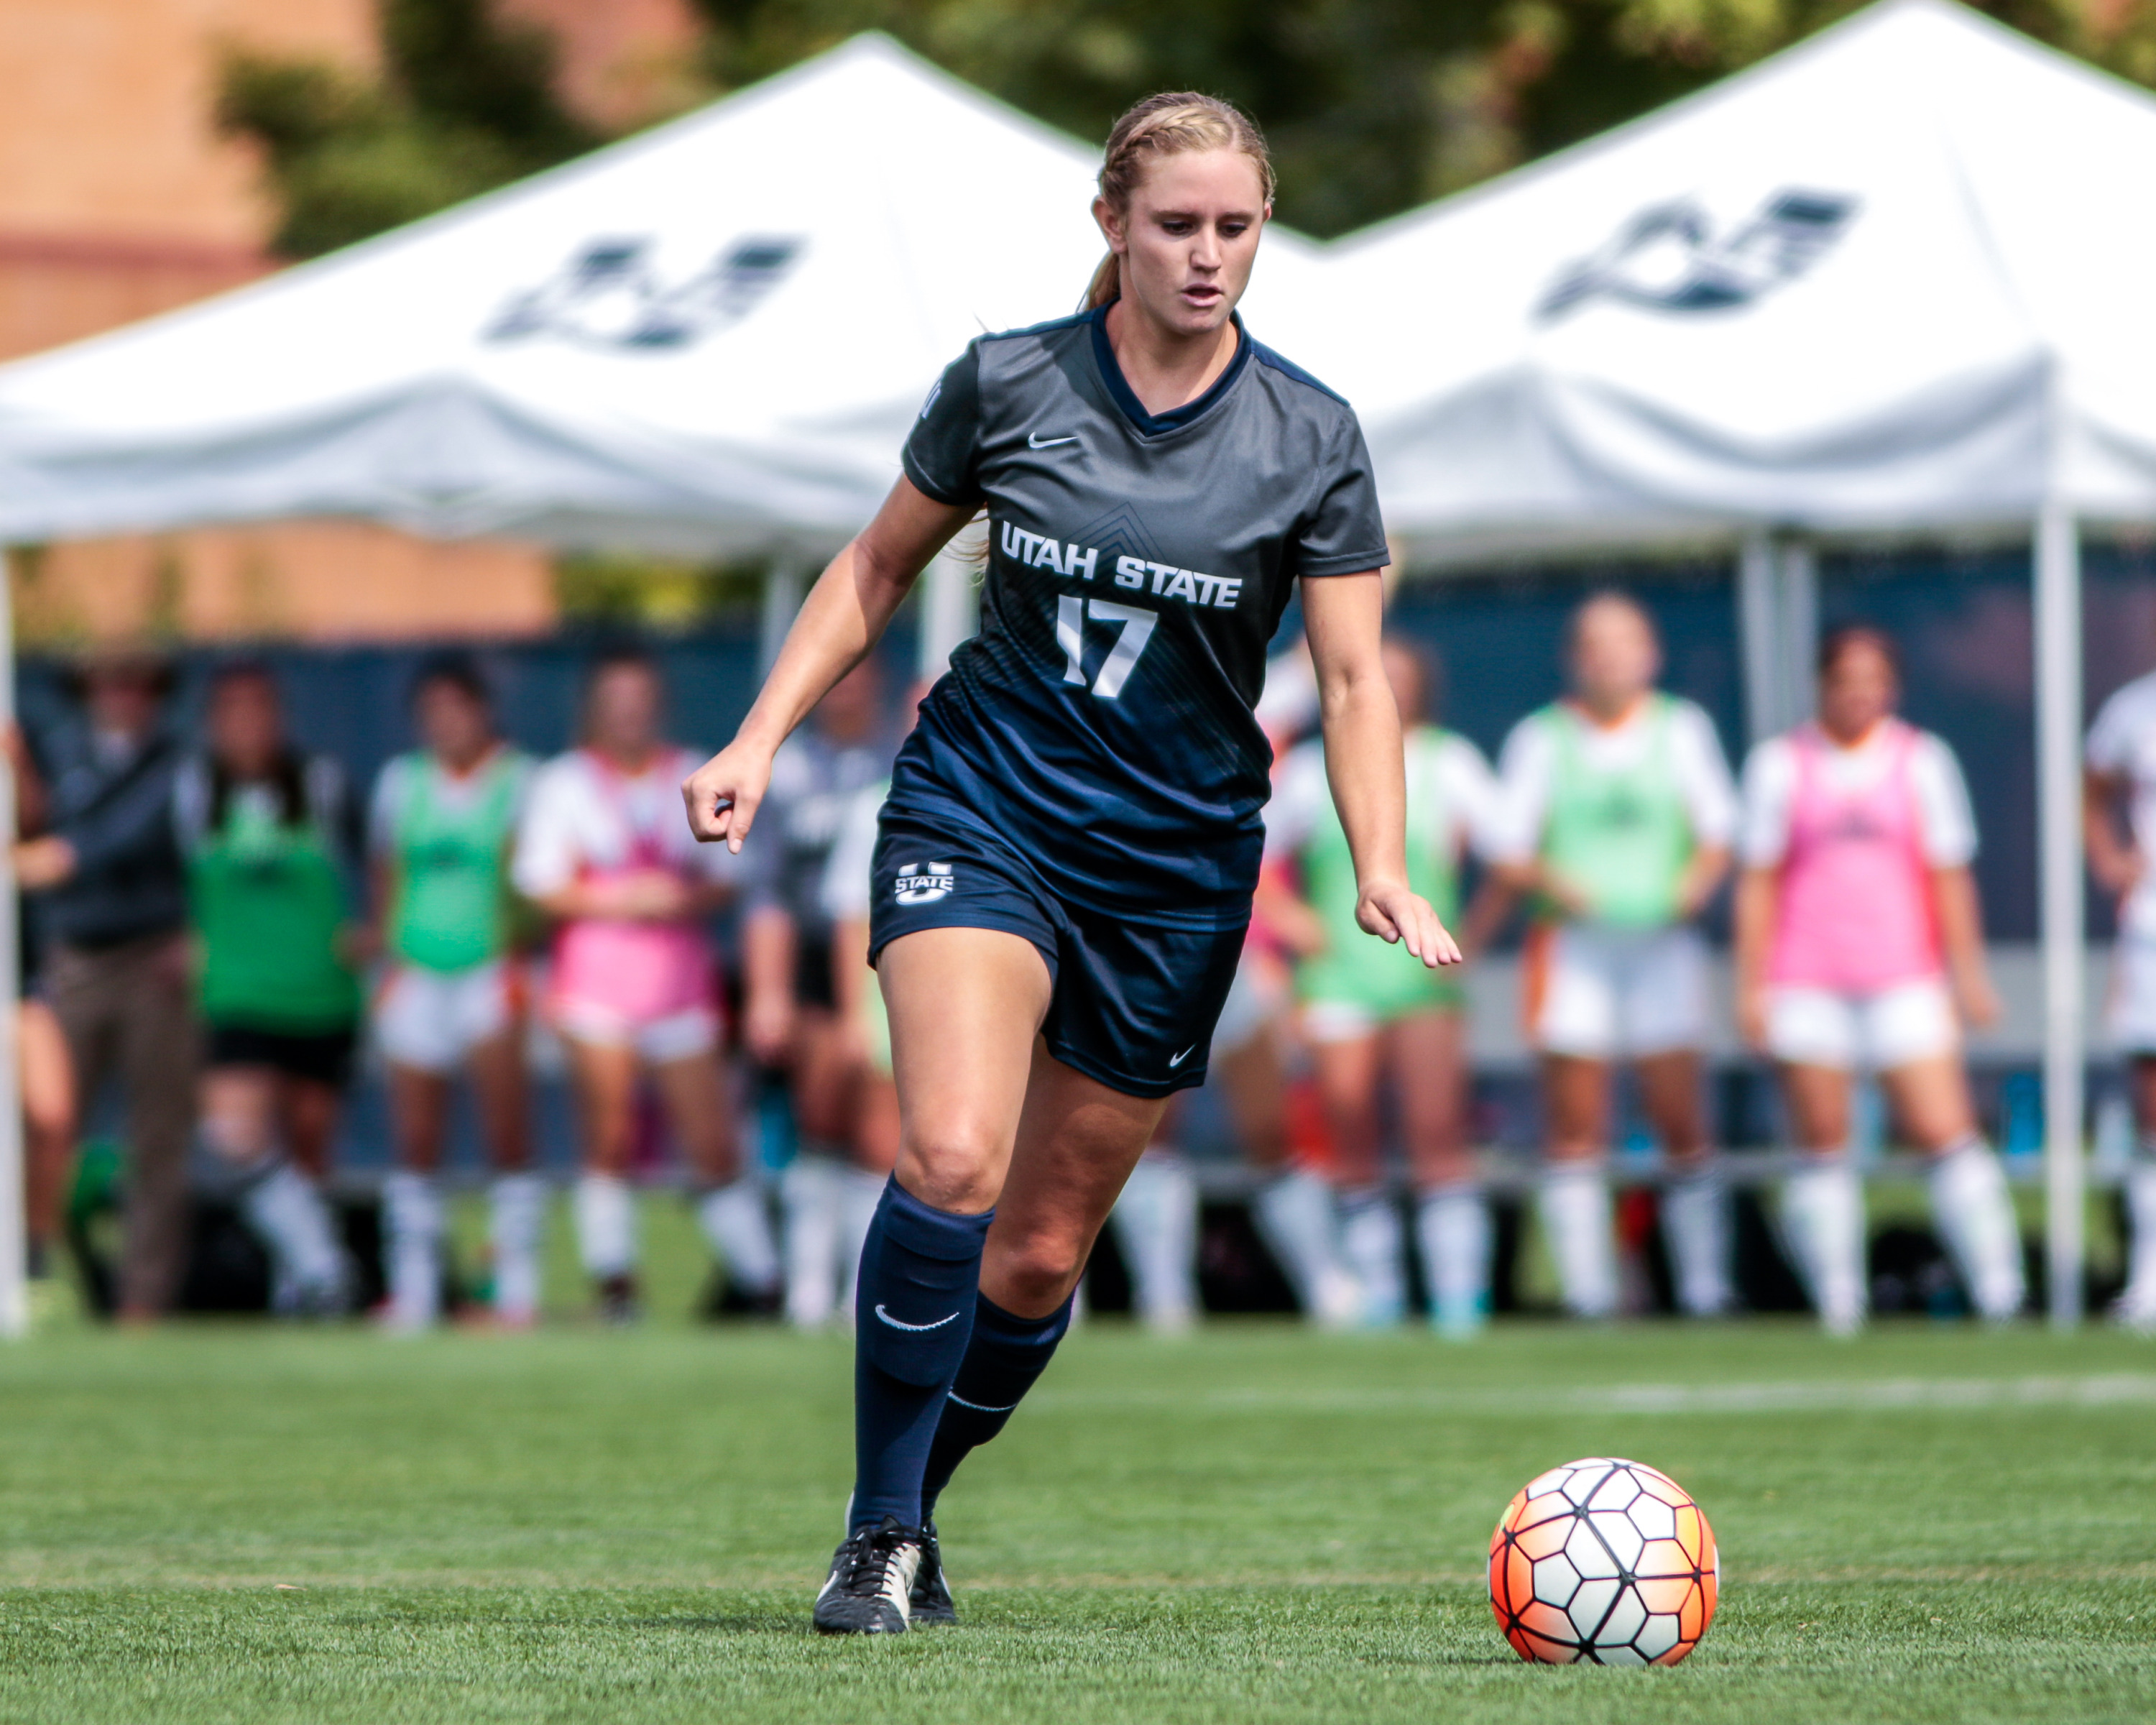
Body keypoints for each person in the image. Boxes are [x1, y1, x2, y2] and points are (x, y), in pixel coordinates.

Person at [684, 92, 1455, 1634]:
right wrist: (759, 736)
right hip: (986, 809)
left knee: (1037, 1254)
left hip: (1173, 871)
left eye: (1237, 226)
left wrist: (1382, 858)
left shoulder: (1312, 436)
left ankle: (900, 1510)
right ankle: (880, 1540)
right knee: (954, 1157)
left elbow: (1358, 681)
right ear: (1111, 225)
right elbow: (876, 566)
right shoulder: (1011, 382)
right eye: (1178, 224)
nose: (1209, 254)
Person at [1737, 625, 2019, 1330]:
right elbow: (1758, 884)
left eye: (1874, 680)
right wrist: (1752, 986)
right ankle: (1840, 1302)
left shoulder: (1923, 761)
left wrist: (1968, 977)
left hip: (1903, 977)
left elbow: (1948, 877)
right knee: (1823, 1137)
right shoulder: (1780, 764)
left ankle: (2001, 1291)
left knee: (1943, 1129)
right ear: (1822, 684)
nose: (1860, 695)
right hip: (1808, 978)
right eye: (1846, 680)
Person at [1492, 592, 1738, 1320]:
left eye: (1628, 641)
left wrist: (1690, 887)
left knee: (1680, 1118)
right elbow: (1510, 850)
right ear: (1575, 660)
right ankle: (1589, 1293)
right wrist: (1560, 883)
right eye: (1597, 644)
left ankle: (1704, 1288)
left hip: (1661, 950)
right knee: (1575, 1124)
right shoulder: (1541, 739)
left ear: (1651, 654)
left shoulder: (1683, 730)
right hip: (1575, 951)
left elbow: (1718, 833)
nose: (1613, 658)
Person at [514, 649, 779, 1322]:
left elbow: (730, 872)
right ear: (595, 708)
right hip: (596, 981)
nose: (628, 711)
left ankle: (763, 1282)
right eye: (615, 697)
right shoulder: (564, 782)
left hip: (678, 981)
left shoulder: (693, 768)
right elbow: (542, 883)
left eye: (640, 697)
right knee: (609, 1135)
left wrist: (680, 898)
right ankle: (616, 1285)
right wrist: (624, 900)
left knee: (713, 1140)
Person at [1264, 637, 1508, 1334]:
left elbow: (1513, 855)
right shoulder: (1311, 769)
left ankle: (1460, 1300)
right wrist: (1291, 920)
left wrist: (1477, 934)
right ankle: (1379, 1296)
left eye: (1399, 678)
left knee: (1437, 1131)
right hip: (1340, 977)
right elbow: (1251, 857)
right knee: (1350, 1132)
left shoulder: (1451, 762)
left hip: (1422, 977)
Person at [173, 661, 365, 1315]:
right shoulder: (194, 791)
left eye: (259, 709)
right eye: (232, 711)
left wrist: (369, 931)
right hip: (236, 991)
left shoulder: (320, 785)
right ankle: (325, 1267)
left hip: (319, 992)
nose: (247, 725)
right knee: (236, 1137)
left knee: (310, 1151)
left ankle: (301, 1286)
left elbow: (384, 862)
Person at [15, 647, 195, 1320]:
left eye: (137, 680)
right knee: (50, 1125)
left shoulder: (175, 760)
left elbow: (112, 839)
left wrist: (60, 858)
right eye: (111, 679)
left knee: (158, 1137)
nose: (123, 694)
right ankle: (45, 1266)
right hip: (75, 958)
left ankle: (143, 1299)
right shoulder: (59, 751)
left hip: (152, 958)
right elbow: (36, 822)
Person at [369, 653, 541, 1330]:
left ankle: (517, 1289)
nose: (446, 724)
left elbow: (533, 884)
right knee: (415, 1139)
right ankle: (414, 1292)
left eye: (457, 708)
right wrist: (388, 962)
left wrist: (516, 955)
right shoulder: (400, 783)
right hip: (416, 976)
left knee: (506, 1132)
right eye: (432, 712)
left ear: (482, 710)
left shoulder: (522, 781)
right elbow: (387, 878)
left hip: (491, 975)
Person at [740, 658, 896, 1329]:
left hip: (894, 961)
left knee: (883, 1140)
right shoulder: (787, 768)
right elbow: (768, 893)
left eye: (859, 674)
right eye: (836, 676)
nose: (848, 688)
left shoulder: (903, 759)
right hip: (816, 967)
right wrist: (767, 993)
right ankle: (807, 1289)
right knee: (823, 1122)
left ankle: (862, 1291)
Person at [2081, 643, 2156, 1327]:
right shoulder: (2133, 710)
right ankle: (2150, 1276)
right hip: (2152, 932)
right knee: (2153, 1109)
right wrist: (2111, 861)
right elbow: (2091, 787)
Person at [5, 727, 77, 1296]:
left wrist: (18, 762)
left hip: (19, 980)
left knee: (50, 1114)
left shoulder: (18, 733)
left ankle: (36, 1250)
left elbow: (40, 828)